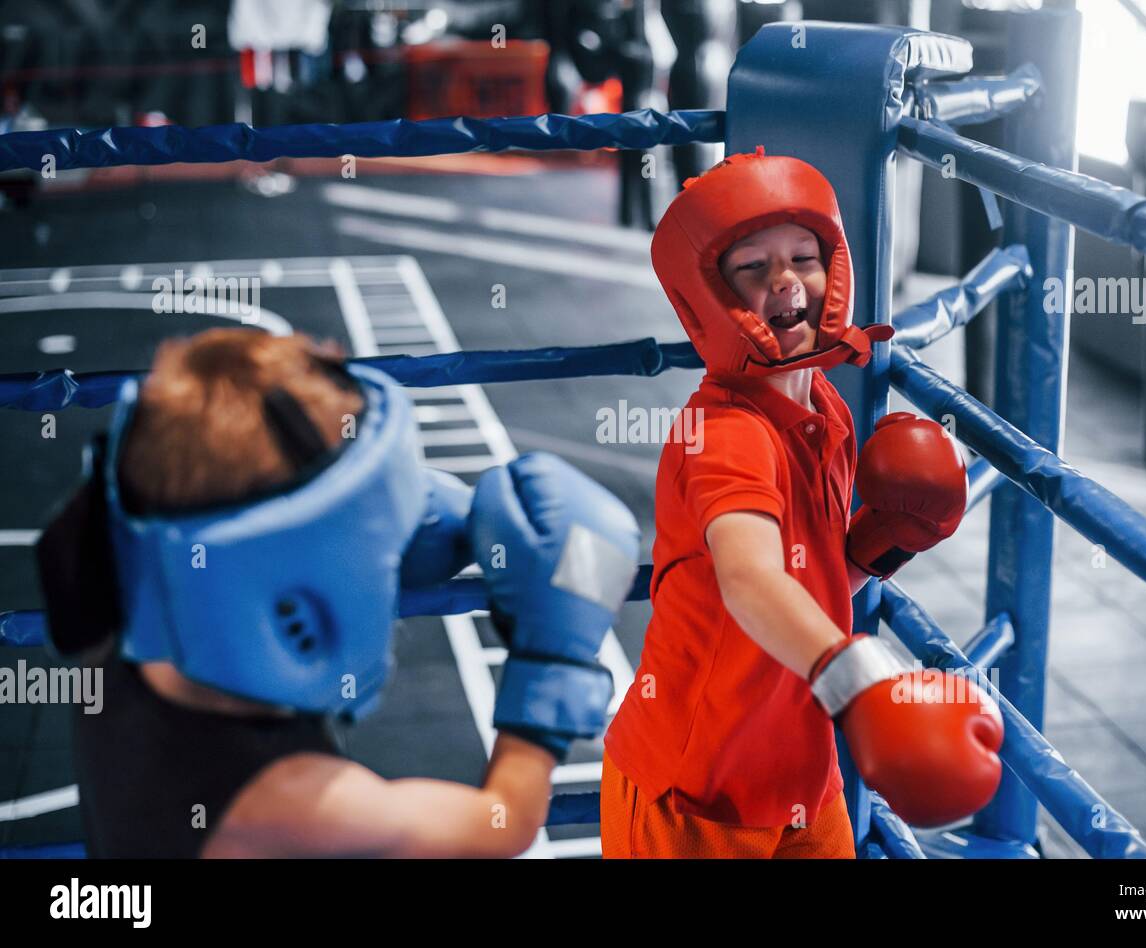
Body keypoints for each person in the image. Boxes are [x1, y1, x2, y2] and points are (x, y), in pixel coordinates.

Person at [36, 328, 639, 858]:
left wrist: (389, 525)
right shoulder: (296, 805)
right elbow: (499, 824)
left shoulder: (125, 610)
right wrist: (554, 655)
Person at [600, 148, 1004, 858]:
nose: (785, 280)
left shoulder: (826, 409)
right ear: (709, 300)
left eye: (803, 257)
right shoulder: (723, 433)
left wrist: (888, 540)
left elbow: (807, 578)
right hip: (698, 789)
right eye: (752, 267)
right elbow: (750, 576)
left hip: (800, 771)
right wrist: (859, 681)